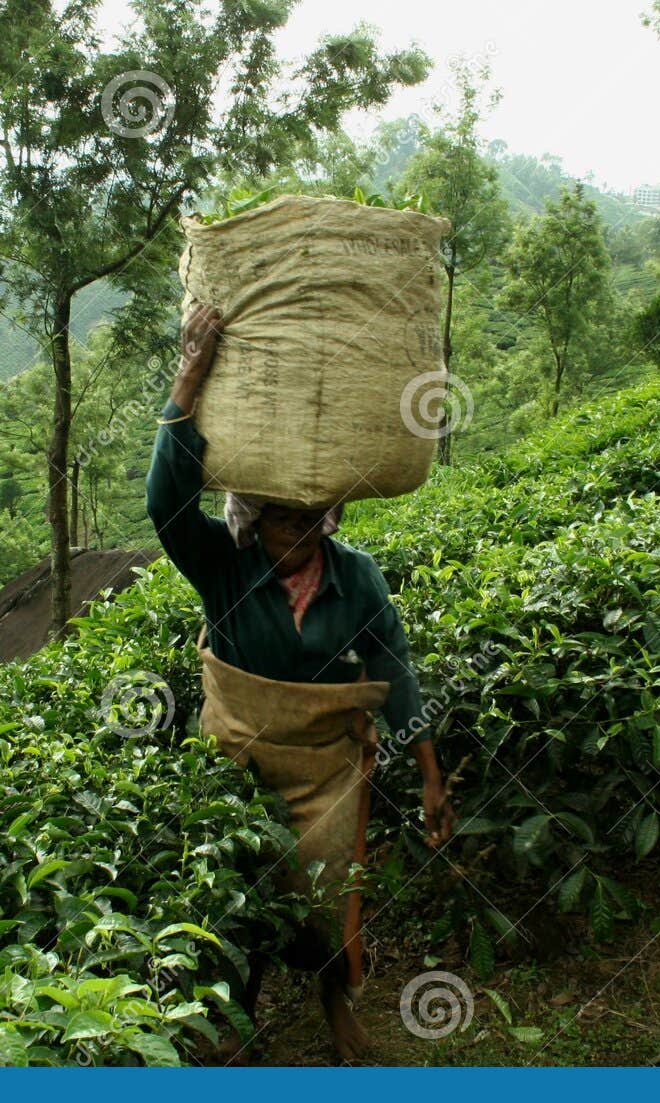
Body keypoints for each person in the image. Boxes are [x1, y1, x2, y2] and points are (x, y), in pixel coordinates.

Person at [145, 302, 455, 1062]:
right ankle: (236, 1016)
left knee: (331, 892)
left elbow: (395, 673)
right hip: (238, 759)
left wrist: (430, 778)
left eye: (318, 519)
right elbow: (166, 504)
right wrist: (190, 374)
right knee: (240, 896)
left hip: (323, 765)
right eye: (288, 522)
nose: (304, 534)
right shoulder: (223, 566)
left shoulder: (357, 579)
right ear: (254, 519)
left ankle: (334, 998)